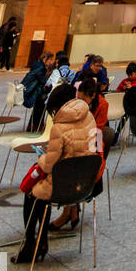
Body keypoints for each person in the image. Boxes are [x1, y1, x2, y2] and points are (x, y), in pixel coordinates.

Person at [13, 83, 97, 264]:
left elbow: (49, 165)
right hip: (85, 184)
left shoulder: (59, 128)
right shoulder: (90, 117)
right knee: (43, 191)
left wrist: (41, 160)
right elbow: (94, 149)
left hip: (63, 186)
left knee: (32, 195)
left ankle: (32, 243)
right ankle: (40, 242)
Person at [49, 76, 110, 232]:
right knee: (69, 160)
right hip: (79, 141)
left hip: (93, 144)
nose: (81, 103)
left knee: (72, 163)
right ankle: (71, 210)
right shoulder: (75, 109)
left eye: (85, 99)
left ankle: (68, 212)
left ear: (93, 96)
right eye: (79, 97)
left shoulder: (102, 105)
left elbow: (98, 132)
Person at [22, 50, 55, 132]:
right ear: (44, 59)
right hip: (29, 94)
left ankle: (33, 125)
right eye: (50, 60)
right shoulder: (41, 68)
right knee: (42, 101)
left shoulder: (36, 65)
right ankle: (37, 126)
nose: (51, 62)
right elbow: (43, 81)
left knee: (42, 99)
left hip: (26, 91)